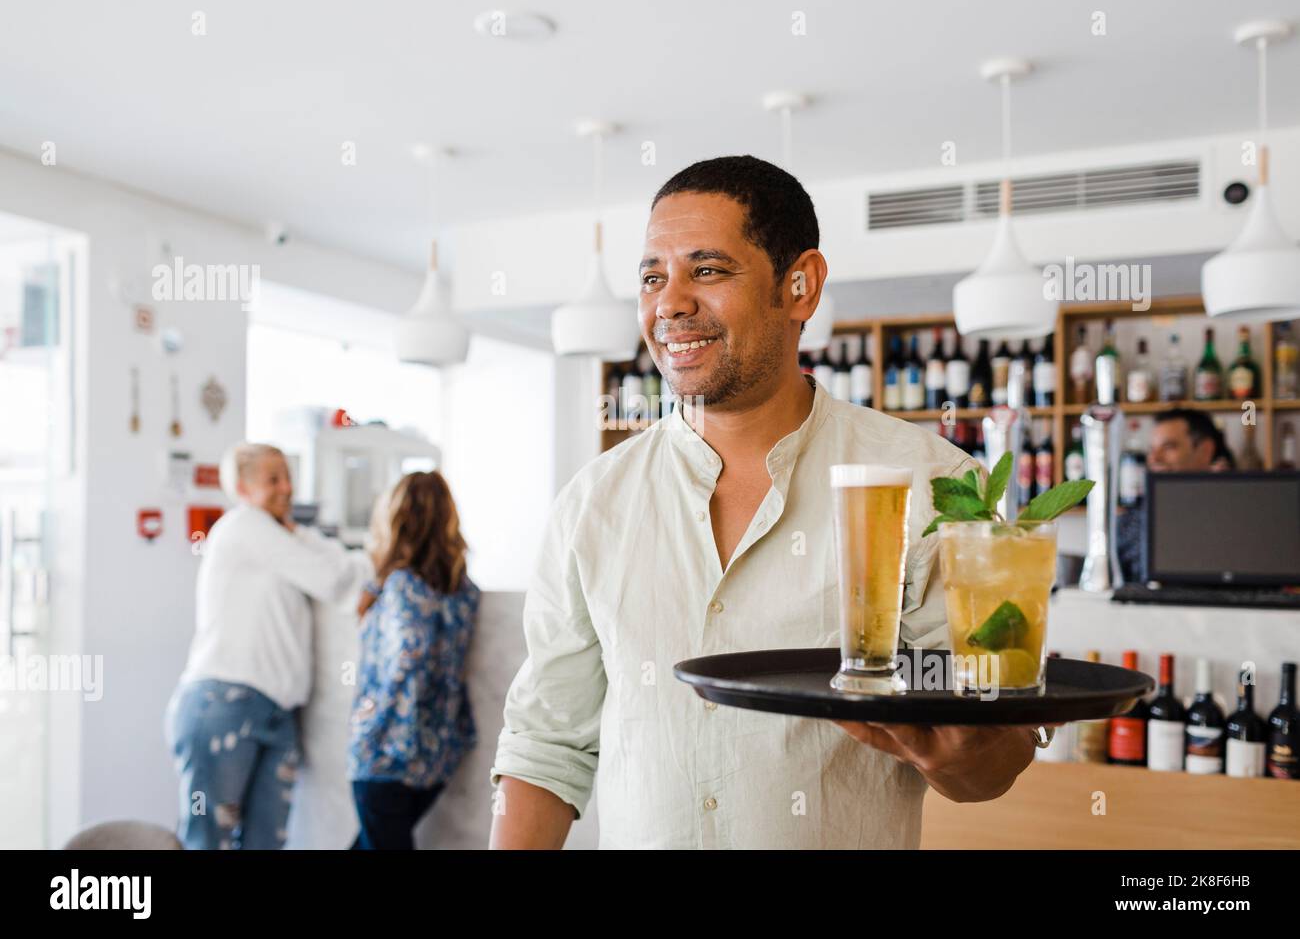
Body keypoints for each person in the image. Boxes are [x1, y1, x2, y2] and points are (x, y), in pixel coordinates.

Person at [489, 155, 1042, 850]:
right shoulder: (593, 503)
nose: (670, 303)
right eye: (653, 277)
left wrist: (966, 756)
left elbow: (992, 754)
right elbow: (546, 746)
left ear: (800, 285)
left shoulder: (932, 486)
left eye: (708, 270)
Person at [166, 442, 372, 849]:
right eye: (272, 479)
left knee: (266, 843)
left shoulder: (280, 534)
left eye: (288, 476)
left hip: (275, 712)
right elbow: (334, 580)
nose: (286, 488)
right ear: (242, 489)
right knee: (209, 841)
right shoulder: (245, 526)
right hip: (223, 705)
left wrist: (303, 535)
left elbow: (353, 569)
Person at [348, 471, 479, 850]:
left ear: (395, 519)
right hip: (437, 755)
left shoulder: (402, 584)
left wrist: (369, 720)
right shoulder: (463, 590)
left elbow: (410, 652)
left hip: (387, 752)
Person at [1117, 408, 1229, 582]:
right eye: (1152, 449)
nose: (1154, 458)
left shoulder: (1234, 512)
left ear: (1205, 450)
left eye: (1168, 447)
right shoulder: (1132, 519)